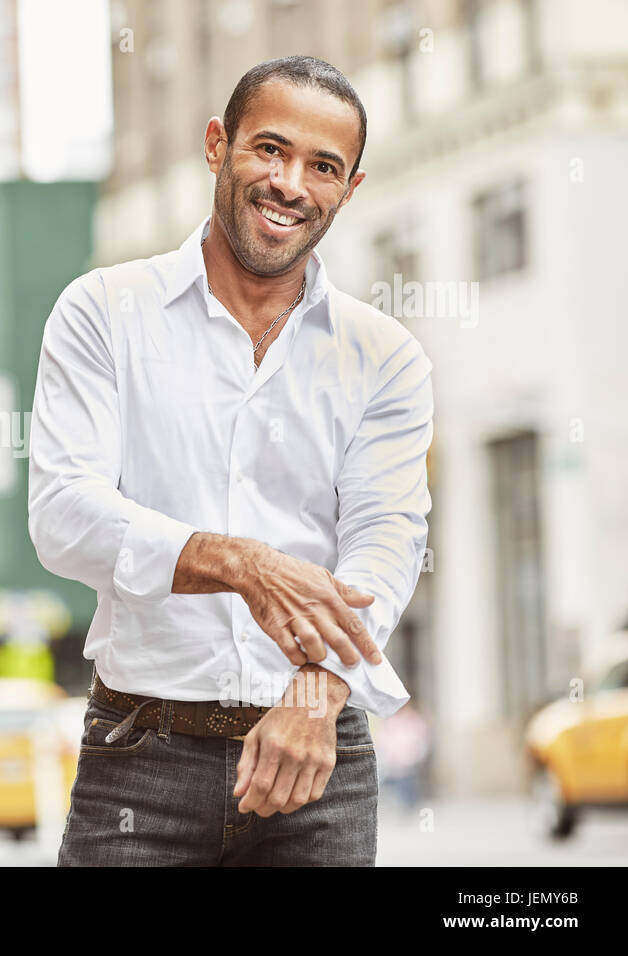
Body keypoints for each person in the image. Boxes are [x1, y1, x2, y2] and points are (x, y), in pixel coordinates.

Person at [28, 55, 433, 866]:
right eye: (269, 150)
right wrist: (242, 564)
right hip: (141, 759)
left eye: (323, 167)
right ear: (218, 144)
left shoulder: (385, 356)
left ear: (349, 189)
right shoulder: (104, 313)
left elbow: (387, 542)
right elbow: (63, 515)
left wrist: (320, 689)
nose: (290, 183)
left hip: (317, 752)